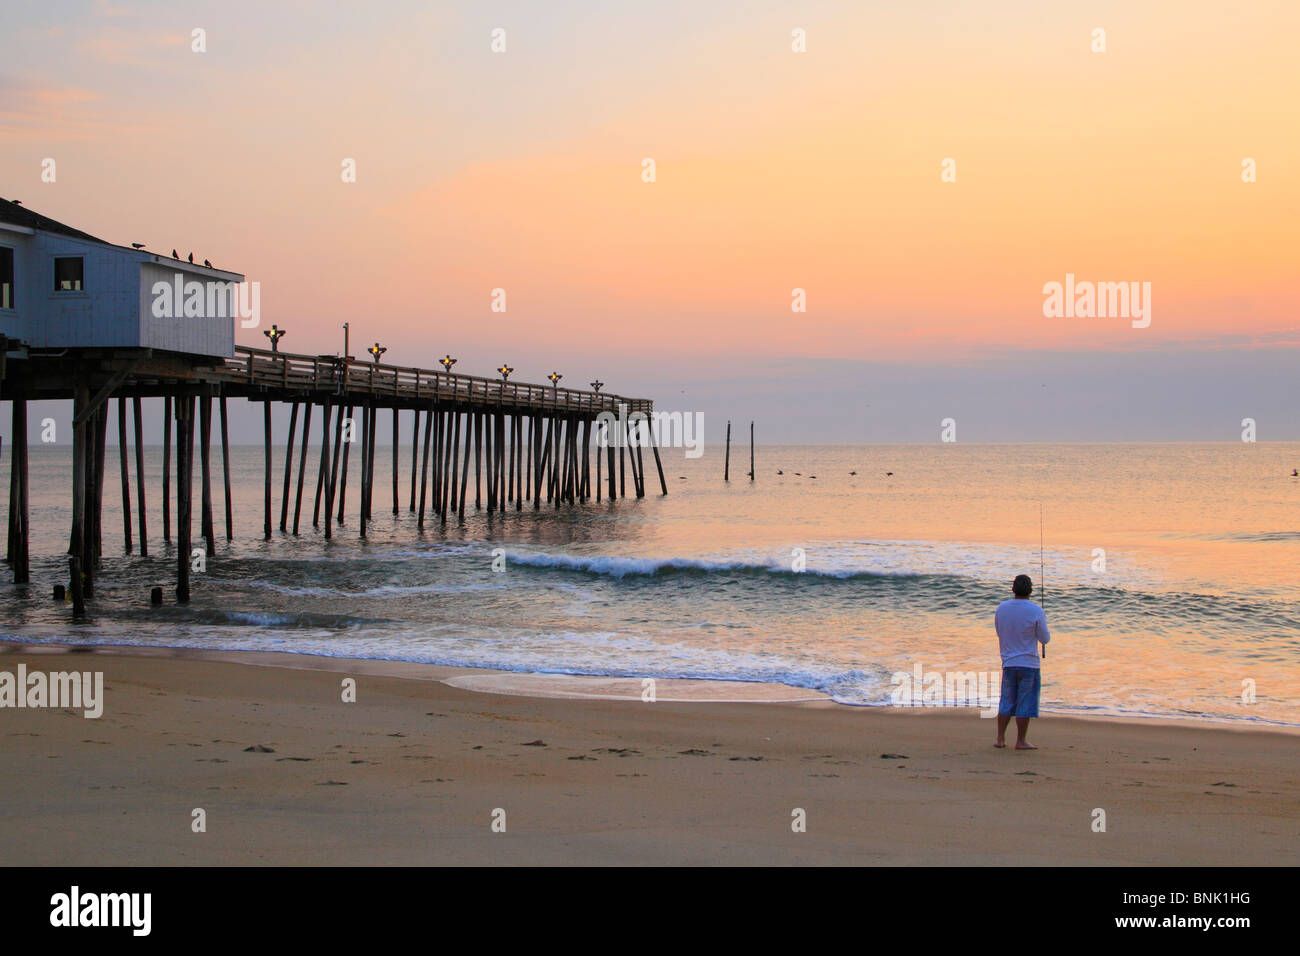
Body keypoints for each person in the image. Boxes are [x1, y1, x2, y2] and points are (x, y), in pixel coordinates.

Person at [994, 574, 1050, 750]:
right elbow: (1045, 638)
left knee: (1006, 701)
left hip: (1009, 662)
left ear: (1013, 589)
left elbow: (999, 631)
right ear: (1031, 591)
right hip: (1029, 664)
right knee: (1025, 703)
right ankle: (1021, 740)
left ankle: (1000, 738)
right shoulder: (1036, 611)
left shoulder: (1002, 608)